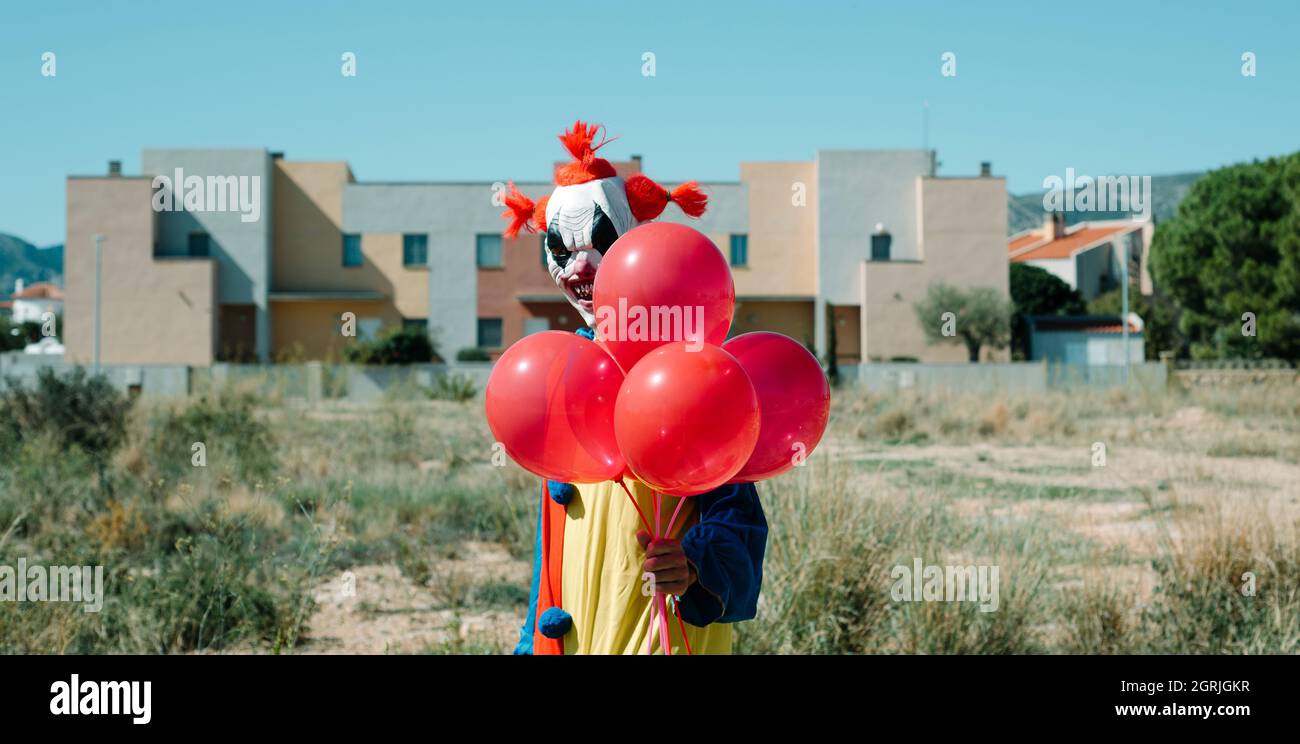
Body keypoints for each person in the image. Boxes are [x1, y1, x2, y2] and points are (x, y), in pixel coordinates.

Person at [501, 121, 768, 654]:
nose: (579, 268)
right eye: (561, 248)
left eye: (599, 244)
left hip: (661, 633)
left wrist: (694, 565)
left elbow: (738, 518)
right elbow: (551, 548)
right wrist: (533, 641)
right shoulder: (563, 373)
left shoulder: (683, 374)